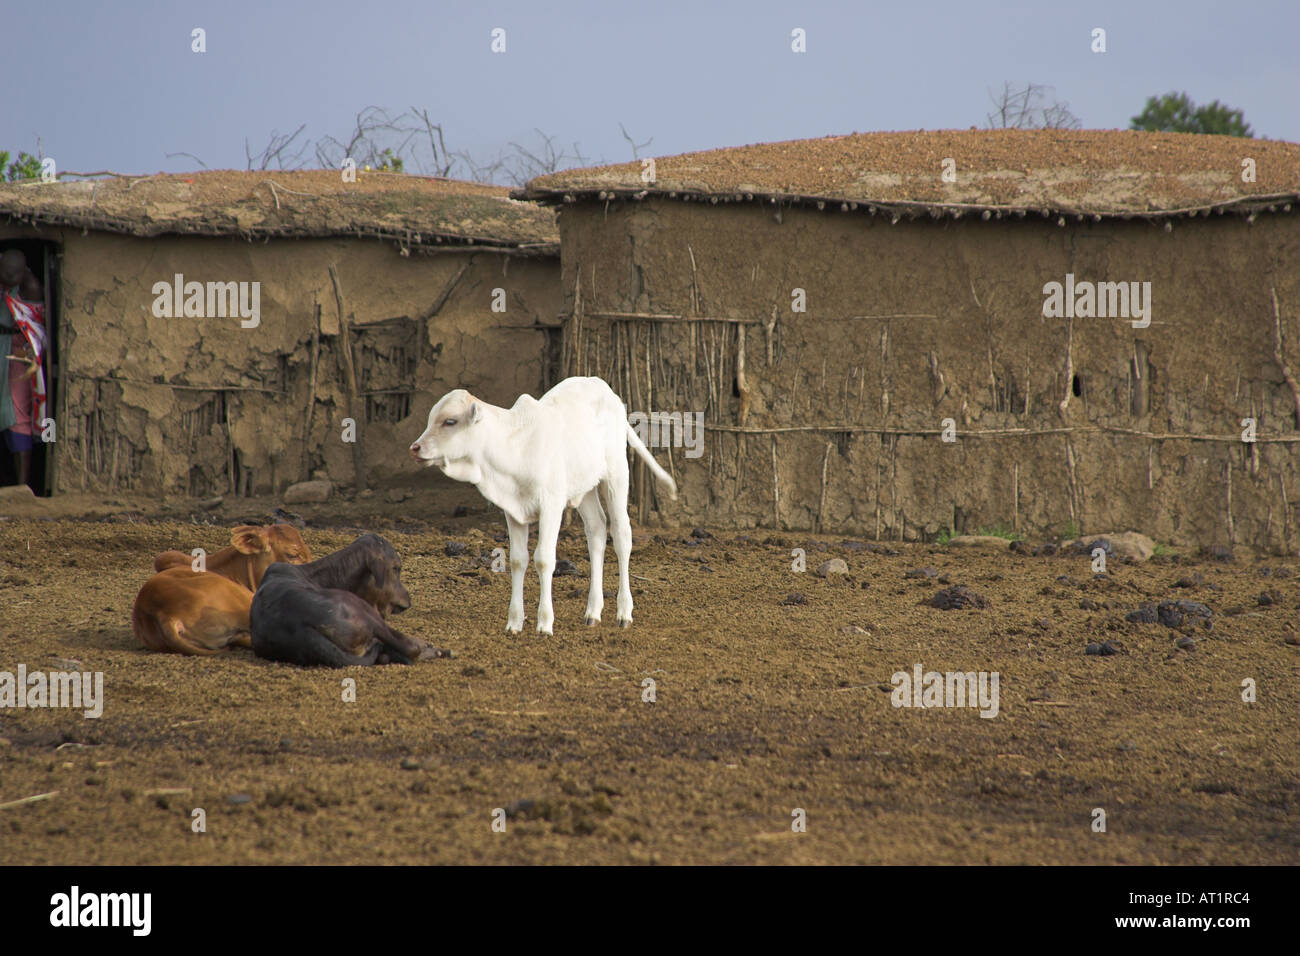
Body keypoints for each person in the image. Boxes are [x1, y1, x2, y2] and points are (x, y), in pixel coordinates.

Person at [0, 249, 47, 489]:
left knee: (19, 413)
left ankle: (23, 486)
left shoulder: (32, 287)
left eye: (10, 281)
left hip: (19, 350)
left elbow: (36, 333)